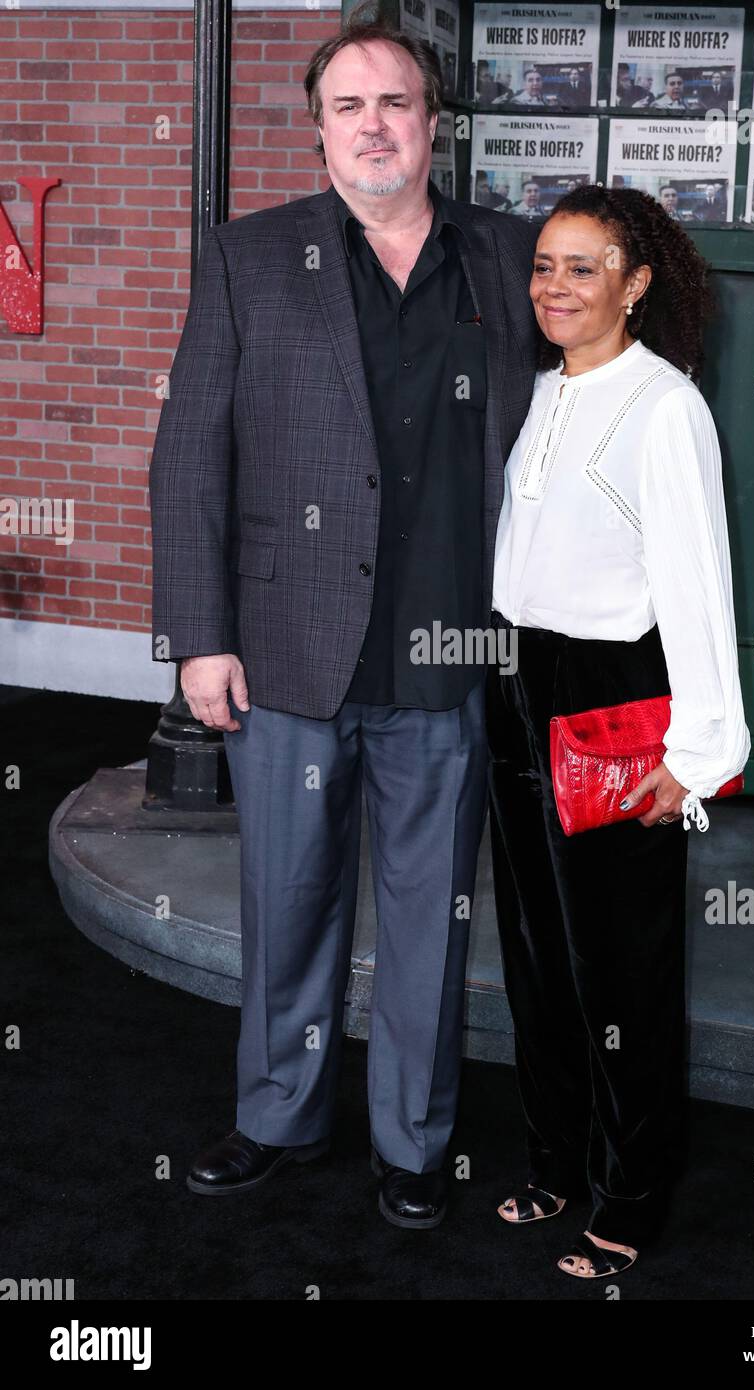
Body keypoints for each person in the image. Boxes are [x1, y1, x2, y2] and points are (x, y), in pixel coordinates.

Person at [149, 12, 541, 1229]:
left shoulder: (517, 257)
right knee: (290, 896)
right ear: (318, 128)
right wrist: (199, 637)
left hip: (454, 651)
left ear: (435, 122)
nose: (375, 126)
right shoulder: (247, 257)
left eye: (398, 104)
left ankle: (414, 1143)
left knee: (432, 914)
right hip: (287, 648)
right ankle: (277, 1114)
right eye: (349, 107)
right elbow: (187, 457)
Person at [487, 184, 750, 1279]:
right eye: (544, 264)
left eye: (582, 266)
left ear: (636, 283)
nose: (555, 285)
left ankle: (631, 1196)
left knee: (622, 969)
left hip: (613, 695)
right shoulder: (544, 389)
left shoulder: (665, 405)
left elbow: (696, 581)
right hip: (514, 681)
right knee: (539, 954)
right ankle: (554, 1154)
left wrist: (697, 756)